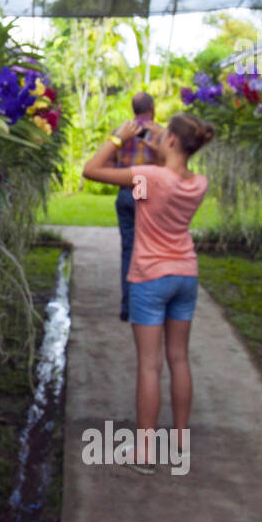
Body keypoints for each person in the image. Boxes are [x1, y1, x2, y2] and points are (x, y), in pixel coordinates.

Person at [82, 112, 216, 473]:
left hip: (150, 277)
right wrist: (161, 144)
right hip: (185, 275)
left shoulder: (148, 177)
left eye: (163, 134)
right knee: (179, 359)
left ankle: (144, 452)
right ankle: (180, 444)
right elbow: (153, 188)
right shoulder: (197, 182)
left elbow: (91, 170)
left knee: (150, 365)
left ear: (171, 139)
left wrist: (118, 138)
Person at [111, 93, 163, 322]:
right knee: (151, 251)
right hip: (148, 193)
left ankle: (127, 306)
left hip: (126, 191)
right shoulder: (160, 133)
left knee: (128, 250)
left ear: (134, 109)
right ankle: (148, 306)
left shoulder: (120, 131)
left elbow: (110, 164)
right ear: (151, 107)